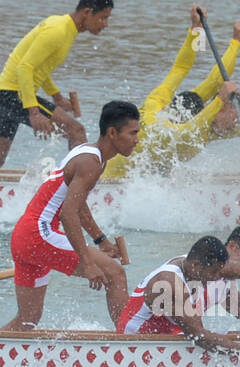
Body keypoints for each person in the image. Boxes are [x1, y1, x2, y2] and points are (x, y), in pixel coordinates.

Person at [4, 100, 139, 332]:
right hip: (40, 234)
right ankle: (131, 345)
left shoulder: (92, 154)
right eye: (133, 133)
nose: (137, 140)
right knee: (115, 274)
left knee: (27, 321)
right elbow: (68, 214)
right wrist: (87, 264)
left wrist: (100, 240)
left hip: (23, 236)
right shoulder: (91, 163)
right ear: (113, 132)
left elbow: (77, 204)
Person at [101, 11, 240, 179]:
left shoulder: (175, 99)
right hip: (111, 180)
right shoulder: (159, 126)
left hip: (145, 178)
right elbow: (188, 130)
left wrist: (202, 31)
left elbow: (193, 71)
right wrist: (220, 100)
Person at [115, 235, 240, 363]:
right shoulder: (169, 282)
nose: (218, 277)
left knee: (237, 335)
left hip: (169, 339)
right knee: (225, 341)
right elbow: (199, 336)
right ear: (196, 265)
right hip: (134, 348)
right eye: (215, 272)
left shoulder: (197, 264)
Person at [0, 1, 114, 166]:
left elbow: (40, 68)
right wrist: (34, 112)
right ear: (87, 12)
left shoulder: (63, 27)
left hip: (5, 95)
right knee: (76, 130)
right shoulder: (58, 30)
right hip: (14, 95)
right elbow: (24, 68)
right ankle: (78, 185)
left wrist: (57, 97)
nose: (106, 24)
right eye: (103, 18)